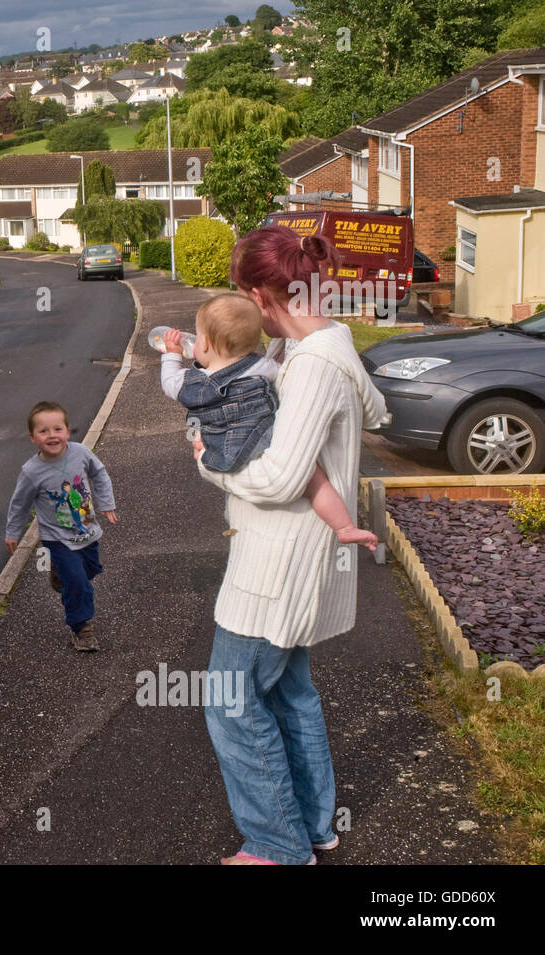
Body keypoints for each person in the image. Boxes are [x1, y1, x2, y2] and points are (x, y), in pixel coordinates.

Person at [192, 227, 388, 865]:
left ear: (257, 294)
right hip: (300, 558)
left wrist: (207, 461)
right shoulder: (332, 343)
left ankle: (277, 847)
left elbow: (279, 477)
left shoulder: (312, 366)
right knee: (287, 692)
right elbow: (377, 409)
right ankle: (312, 825)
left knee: (229, 699)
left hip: (277, 565)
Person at [159, 293, 376, 550]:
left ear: (202, 344)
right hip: (264, 437)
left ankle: (206, 458)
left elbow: (168, 383)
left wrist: (172, 354)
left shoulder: (189, 382)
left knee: (204, 441)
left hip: (218, 444)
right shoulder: (262, 366)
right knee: (314, 479)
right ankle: (344, 527)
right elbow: (284, 377)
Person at [5, 402, 117, 652]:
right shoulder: (32, 471)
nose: (52, 435)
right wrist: (13, 532)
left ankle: (61, 575)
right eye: (43, 431)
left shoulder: (80, 453)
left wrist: (106, 502)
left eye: (57, 429)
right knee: (78, 582)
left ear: (67, 431)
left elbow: (99, 474)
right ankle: (81, 628)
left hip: (87, 531)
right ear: (33, 438)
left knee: (89, 571)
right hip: (57, 538)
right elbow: (19, 503)